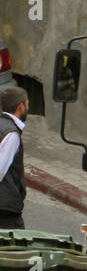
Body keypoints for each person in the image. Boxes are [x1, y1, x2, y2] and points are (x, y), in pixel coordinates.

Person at [0, 85, 28, 231]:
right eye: (27, 104)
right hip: (5, 209)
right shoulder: (11, 134)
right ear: (20, 107)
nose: (27, 108)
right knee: (16, 248)